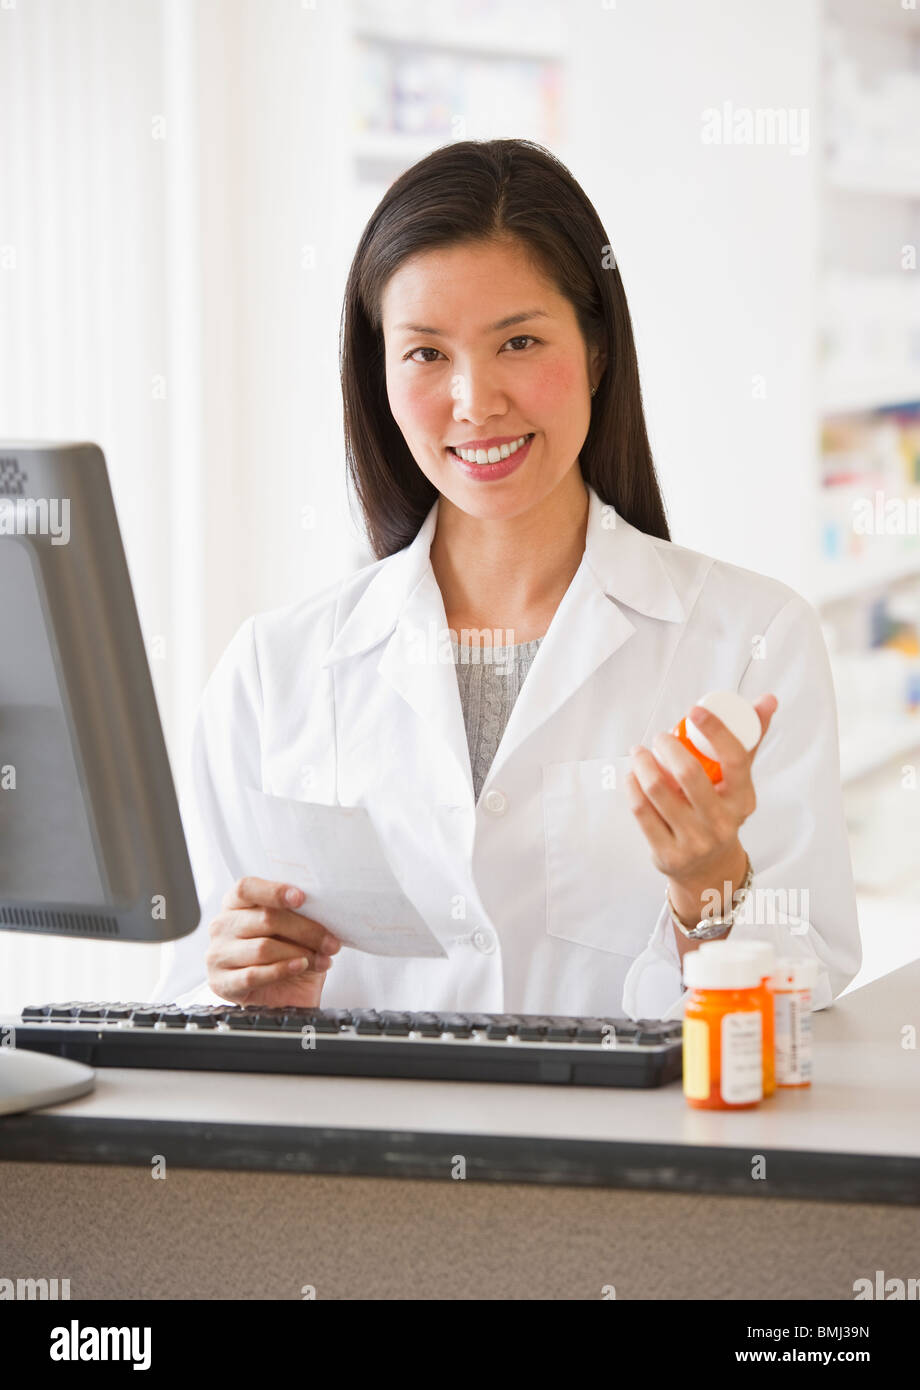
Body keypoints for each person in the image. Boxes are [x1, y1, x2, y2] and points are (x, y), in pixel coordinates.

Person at [155, 138, 861, 1020]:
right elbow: (183, 996)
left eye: (519, 341)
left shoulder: (751, 639)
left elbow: (806, 991)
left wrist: (709, 886)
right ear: (379, 373)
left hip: (629, 1156)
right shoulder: (276, 670)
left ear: (597, 350)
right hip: (355, 1160)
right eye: (425, 354)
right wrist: (254, 993)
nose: (475, 401)